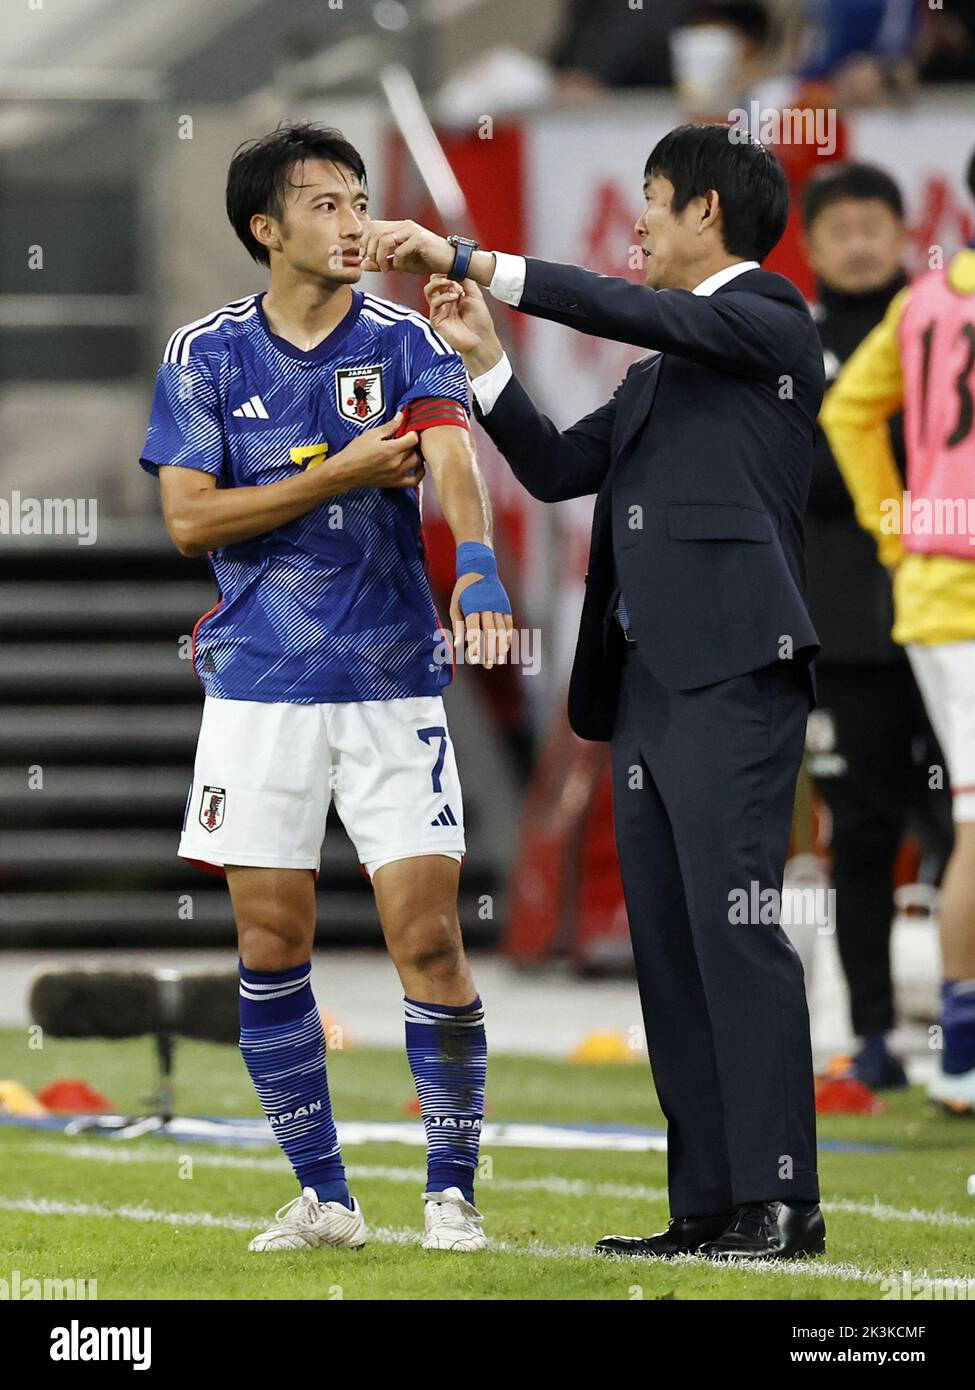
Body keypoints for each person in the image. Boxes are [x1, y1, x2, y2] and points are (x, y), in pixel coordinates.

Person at [362, 123, 826, 1260]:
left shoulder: (767, 321)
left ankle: (783, 1199)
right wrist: (483, 361)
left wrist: (470, 258)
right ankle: (711, 1201)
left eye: (655, 201)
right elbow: (562, 466)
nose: (639, 225)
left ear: (710, 214)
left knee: (738, 933)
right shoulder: (667, 368)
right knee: (668, 947)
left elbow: (632, 308)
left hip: (731, 674)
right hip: (644, 688)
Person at [140, 123, 513, 1253]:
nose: (356, 223)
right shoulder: (204, 353)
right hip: (258, 687)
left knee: (432, 938)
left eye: (361, 201)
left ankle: (452, 1192)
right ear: (267, 228)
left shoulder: (403, 337)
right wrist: (336, 472)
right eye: (327, 204)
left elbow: (450, 450)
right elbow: (190, 517)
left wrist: (481, 566)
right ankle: (325, 1195)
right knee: (268, 937)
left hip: (392, 675)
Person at [821, 146, 975, 1115]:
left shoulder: (927, 303)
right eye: (839, 229)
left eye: (874, 225)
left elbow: (847, 415)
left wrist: (900, 527)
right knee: (893, 833)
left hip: (921, 594)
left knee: (956, 825)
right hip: (888, 615)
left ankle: (949, 1044)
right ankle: (913, 1039)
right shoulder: (792, 333)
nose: (861, 245)